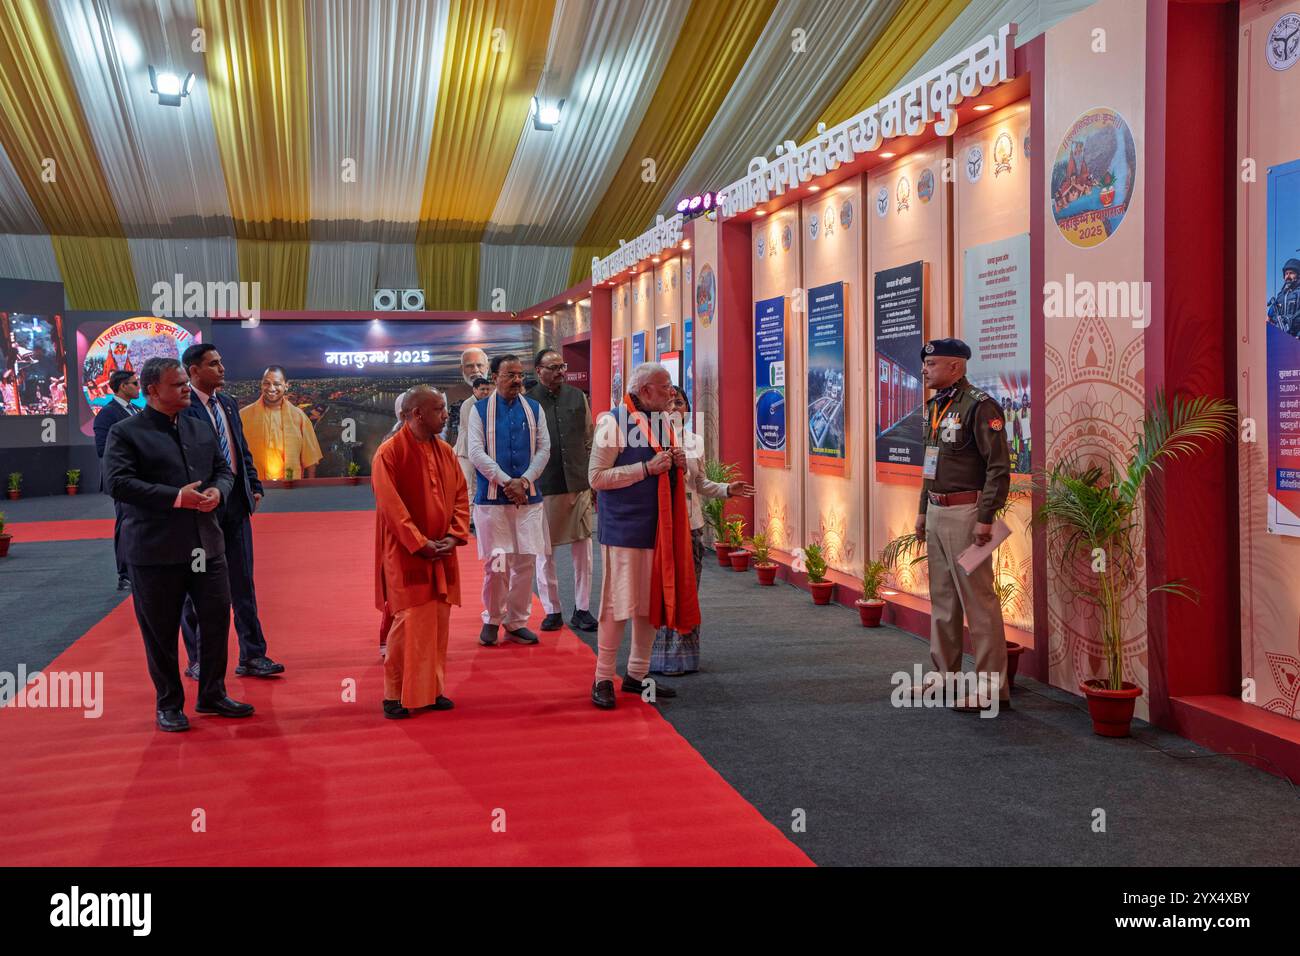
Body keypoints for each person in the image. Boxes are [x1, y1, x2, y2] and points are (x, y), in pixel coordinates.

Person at [103, 357, 254, 732]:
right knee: (160, 630)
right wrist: (176, 497)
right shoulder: (125, 432)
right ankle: (169, 704)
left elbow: (223, 470)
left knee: (217, 618)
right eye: (178, 384)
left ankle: (212, 694)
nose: (187, 388)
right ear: (152, 390)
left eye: (187, 382)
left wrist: (218, 492)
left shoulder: (199, 428)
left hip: (205, 546)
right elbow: (117, 484)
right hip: (155, 551)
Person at [588, 362, 699, 709]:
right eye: (666, 387)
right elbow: (596, 478)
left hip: (659, 529)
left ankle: (637, 676)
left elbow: (669, 470)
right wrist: (645, 469)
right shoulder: (612, 421)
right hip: (623, 528)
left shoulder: (665, 421)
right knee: (616, 606)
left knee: (650, 606)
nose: (672, 393)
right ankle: (603, 678)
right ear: (645, 390)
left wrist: (678, 463)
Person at [913, 338, 1011, 713]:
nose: (925, 369)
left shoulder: (980, 407)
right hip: (937, 512)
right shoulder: (936, 406)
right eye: (925, 363)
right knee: (942, 600)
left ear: (956, 367)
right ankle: (944, 675)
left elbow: (998, 469)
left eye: (932, 363)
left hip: (968, 513)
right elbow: (931, 463)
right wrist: (923, 510)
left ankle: (990, 687)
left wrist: (986, 517)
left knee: (979, 604)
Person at [178, 344, 284, 682]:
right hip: (199, 513)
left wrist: (252, 484)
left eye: (222, 362)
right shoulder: (181, 407)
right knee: (196, 589)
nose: (222, 368)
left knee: (243, 585)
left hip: (236, 507)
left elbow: (240, 447)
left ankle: (253, 655)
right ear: (193, 371)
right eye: (213, 363)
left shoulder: (227, 402)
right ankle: (198, 658)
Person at [372, 386, 469, 718]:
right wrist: (418, 542)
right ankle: (393, 694)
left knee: (438, 620)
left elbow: (460, 496)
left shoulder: (445, 450)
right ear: (417, 414)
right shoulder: (388, 453)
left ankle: (432, 689)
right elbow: (391, 508)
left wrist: (454, 537)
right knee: (409, 621)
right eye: (440, 409)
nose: (446, 415)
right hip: (405, 552)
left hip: (441, 551)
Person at [650, 386, 752, 675]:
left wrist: (726, 489)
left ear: (687, 409)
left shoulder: (694, 442)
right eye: (668, 403)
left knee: (687, 592)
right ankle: (656, 657)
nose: (674, 408)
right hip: (658, 528)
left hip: (691, 527)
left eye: (679, 403)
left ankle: (683, 658)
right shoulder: (646, 441)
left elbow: (701, 484)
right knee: (662, 593)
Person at [466, 354, 550, 646]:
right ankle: (492, 618)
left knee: (526, 561)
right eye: (510, 375)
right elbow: (475, 452)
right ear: (494, 377)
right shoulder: (478, 410)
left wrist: (524, 482)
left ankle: (517, 622)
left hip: (529, 499)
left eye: (519, 374)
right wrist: (507, 482)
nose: (517, 380)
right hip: (492, 500)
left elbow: (544, 449)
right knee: (498, 562)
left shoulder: (534, 408)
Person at [527, 348, 598, 632]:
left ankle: (582, 608)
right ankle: (552, 609)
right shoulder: (528, 402)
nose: (560, 372)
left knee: (584, 550)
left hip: (579, 482)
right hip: (546, 484)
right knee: (545, 552)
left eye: (562, 366)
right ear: (538, 371)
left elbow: (589, 438)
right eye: (553, 367)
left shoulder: (578, 397)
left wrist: (594, 478)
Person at [93, 369, 140, 590]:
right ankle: (125, 575)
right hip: (123, 479)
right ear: (122, 386)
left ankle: (137, 570)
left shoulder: (137, 410)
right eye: (134, 383)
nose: (139, 386)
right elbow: (103, 449)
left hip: (142, 479)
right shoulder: (107, 414)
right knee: (126, 526)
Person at [239, 365, 323, 480]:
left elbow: (310, 460)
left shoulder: (299, 417)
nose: (271, 388)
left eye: (277, 384)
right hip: (253, 487)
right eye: (266, 383)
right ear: (261, 384)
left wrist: (307, 491)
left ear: (286, 386)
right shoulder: (243, 415)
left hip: (290, 488)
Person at [451, 348, 490, 492]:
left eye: (479, 365)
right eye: (469, 366)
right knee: (468, 492)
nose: (475, 370)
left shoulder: (494, 397)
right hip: (467, 455)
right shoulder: (454, 397)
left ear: (487, 366)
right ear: (462, 368)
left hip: (482, 457)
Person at [1267, 258, 1300, 336]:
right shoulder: (1280, 296)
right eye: (1286, 273)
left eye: (1291, 273)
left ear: (1298, 275)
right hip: (1281, 338)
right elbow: (1269, 318)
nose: (1288, 276)